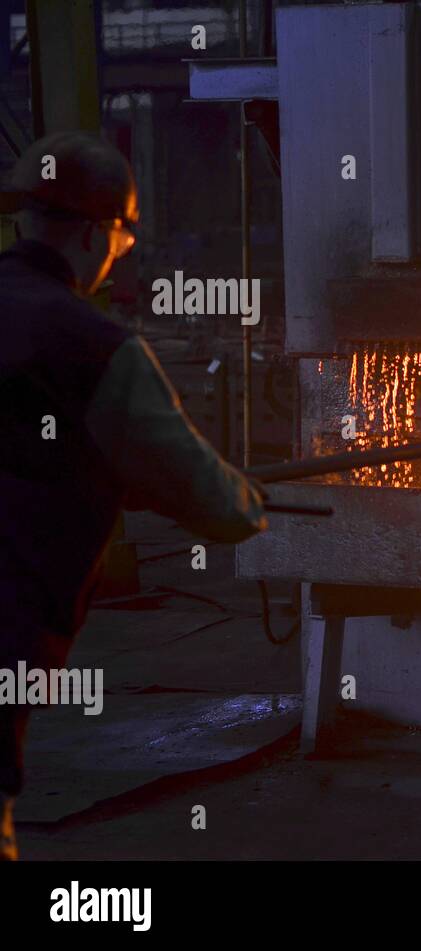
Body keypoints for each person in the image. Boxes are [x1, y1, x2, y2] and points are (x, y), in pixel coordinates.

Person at [0, 131, 266, 859]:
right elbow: (213, 501)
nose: (119, 254)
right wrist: (248, 496)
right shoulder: (95, 347)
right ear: (94, 232)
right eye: (122, 236)